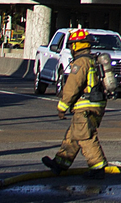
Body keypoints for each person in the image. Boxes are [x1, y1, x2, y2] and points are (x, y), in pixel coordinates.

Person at [41, 29, 110, 178]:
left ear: (77, 45)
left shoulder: (81, 62)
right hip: (94, 104)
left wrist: (62, 106)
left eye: (72, 45)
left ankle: (97, 168)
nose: (71, 48)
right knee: (73, 136)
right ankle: (60, 163)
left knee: (85, 136)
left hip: (86, 105)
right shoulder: (91, 59)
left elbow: (73, 86)